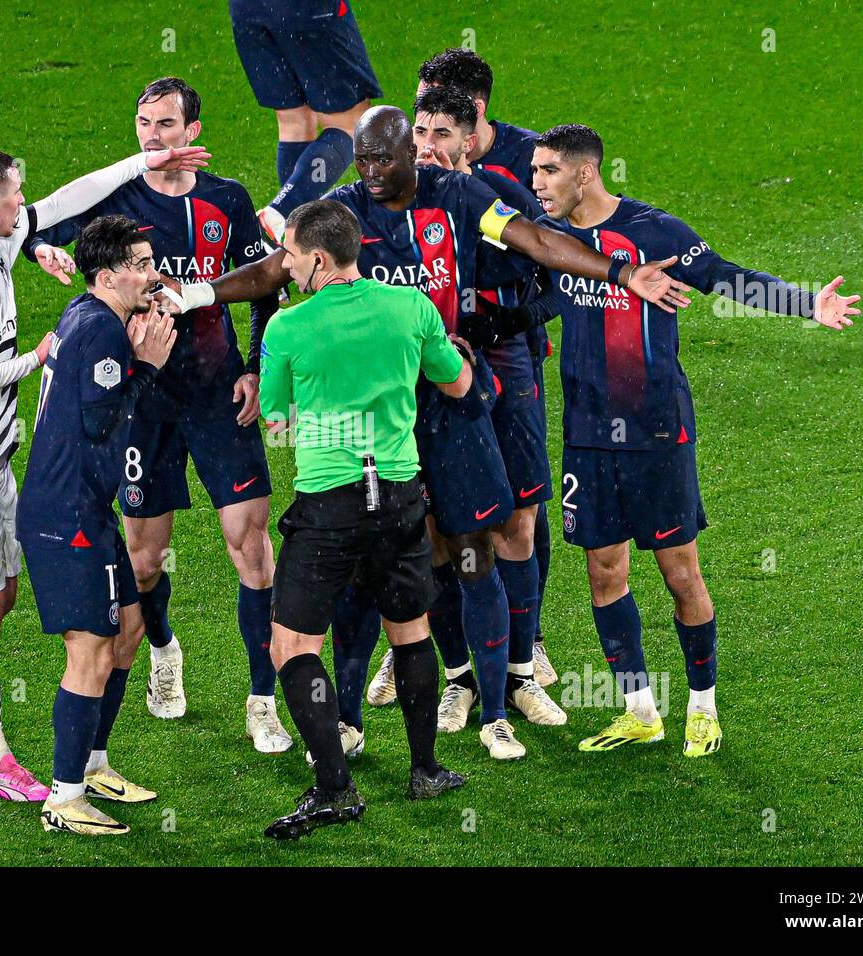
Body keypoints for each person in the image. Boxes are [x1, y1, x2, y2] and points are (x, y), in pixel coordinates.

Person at [161, 106, 691, 761]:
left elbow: (531, 239)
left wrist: (616, 272)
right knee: (411, 558)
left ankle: (510, 689)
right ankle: (446, 685)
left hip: (449, 397)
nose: (374, 173)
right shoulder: (345, 211)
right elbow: (276, 270)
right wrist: (191, 297)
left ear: (414, 153)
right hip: (392, 413)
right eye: (364, 162)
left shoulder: (459, 194)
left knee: (488, 544)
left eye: (385, 159)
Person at [0, 143, 209, 800]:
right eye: (18, 194)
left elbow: (66, 202)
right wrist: (34, 360)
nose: (28, 203)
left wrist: (140, 163)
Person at [529, 124, 860, 756]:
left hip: (658, 431)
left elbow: (724, 277)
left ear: (586, 173)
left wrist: (804, 305)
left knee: (679, 571)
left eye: (547, 171)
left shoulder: (658, 232)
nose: (536, 183)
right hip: (589, 436)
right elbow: (532, 304)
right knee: (604, 571)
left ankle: (703, 706)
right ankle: (640, 711)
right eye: (535, 171)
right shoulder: (552, 241)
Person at [23, 77, 289, 753]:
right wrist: (40, 251)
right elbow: (29, 226)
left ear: (192, 132)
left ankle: (263, 702)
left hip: (218, 394)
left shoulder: (227, 201)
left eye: (165, 125)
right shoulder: (115, 202)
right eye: (143, 124)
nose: (152, 137)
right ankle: (164, 651)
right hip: (143, 399)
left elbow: (265, 286)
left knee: (252, 551)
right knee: (143, 563)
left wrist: (257, 365)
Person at [257, 200, 469, 839]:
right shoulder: (410, 307)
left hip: (329, 508)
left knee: (291, 647)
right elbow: (456, 385)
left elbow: (274, 422)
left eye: (291, 254)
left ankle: (334, 788)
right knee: (409, 630)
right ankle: (426, 769)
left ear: (319, 259)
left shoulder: (287, 329)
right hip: (402, 498)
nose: (286, 266)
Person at [358, 87, 567, 735]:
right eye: (418, 132)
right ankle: (453, 670)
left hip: (503, 367)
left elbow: (555, 269)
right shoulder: (395, 205)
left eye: (441, 133)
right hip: (427, 385)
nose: (427, 145)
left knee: (517, 521)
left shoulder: (492, 196)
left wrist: (509, 320)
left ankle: (521, 662)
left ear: (472, 137)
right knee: (437, 534)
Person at [19, 216, 176, 836]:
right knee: (88, 652)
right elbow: (99, 424)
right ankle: (63, 797)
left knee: (130, 627)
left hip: (84, 509)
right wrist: (147, 364)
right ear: (107, 277)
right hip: (68, 518)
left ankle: (93, 760)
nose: (152, 273)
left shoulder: (85, 315)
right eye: (139, 264)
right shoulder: (104, 334)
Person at [229, 0, 382, 242]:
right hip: (307, 9)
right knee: (351, 123)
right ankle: (281, 213)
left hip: (246, 9)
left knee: (294, 121)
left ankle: (293, 237)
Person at [416, 48, 538, 187]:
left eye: (438, 103)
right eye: (420, 102)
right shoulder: (406, 154)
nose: (425, 113)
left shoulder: (532, 155)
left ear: (476, 108)